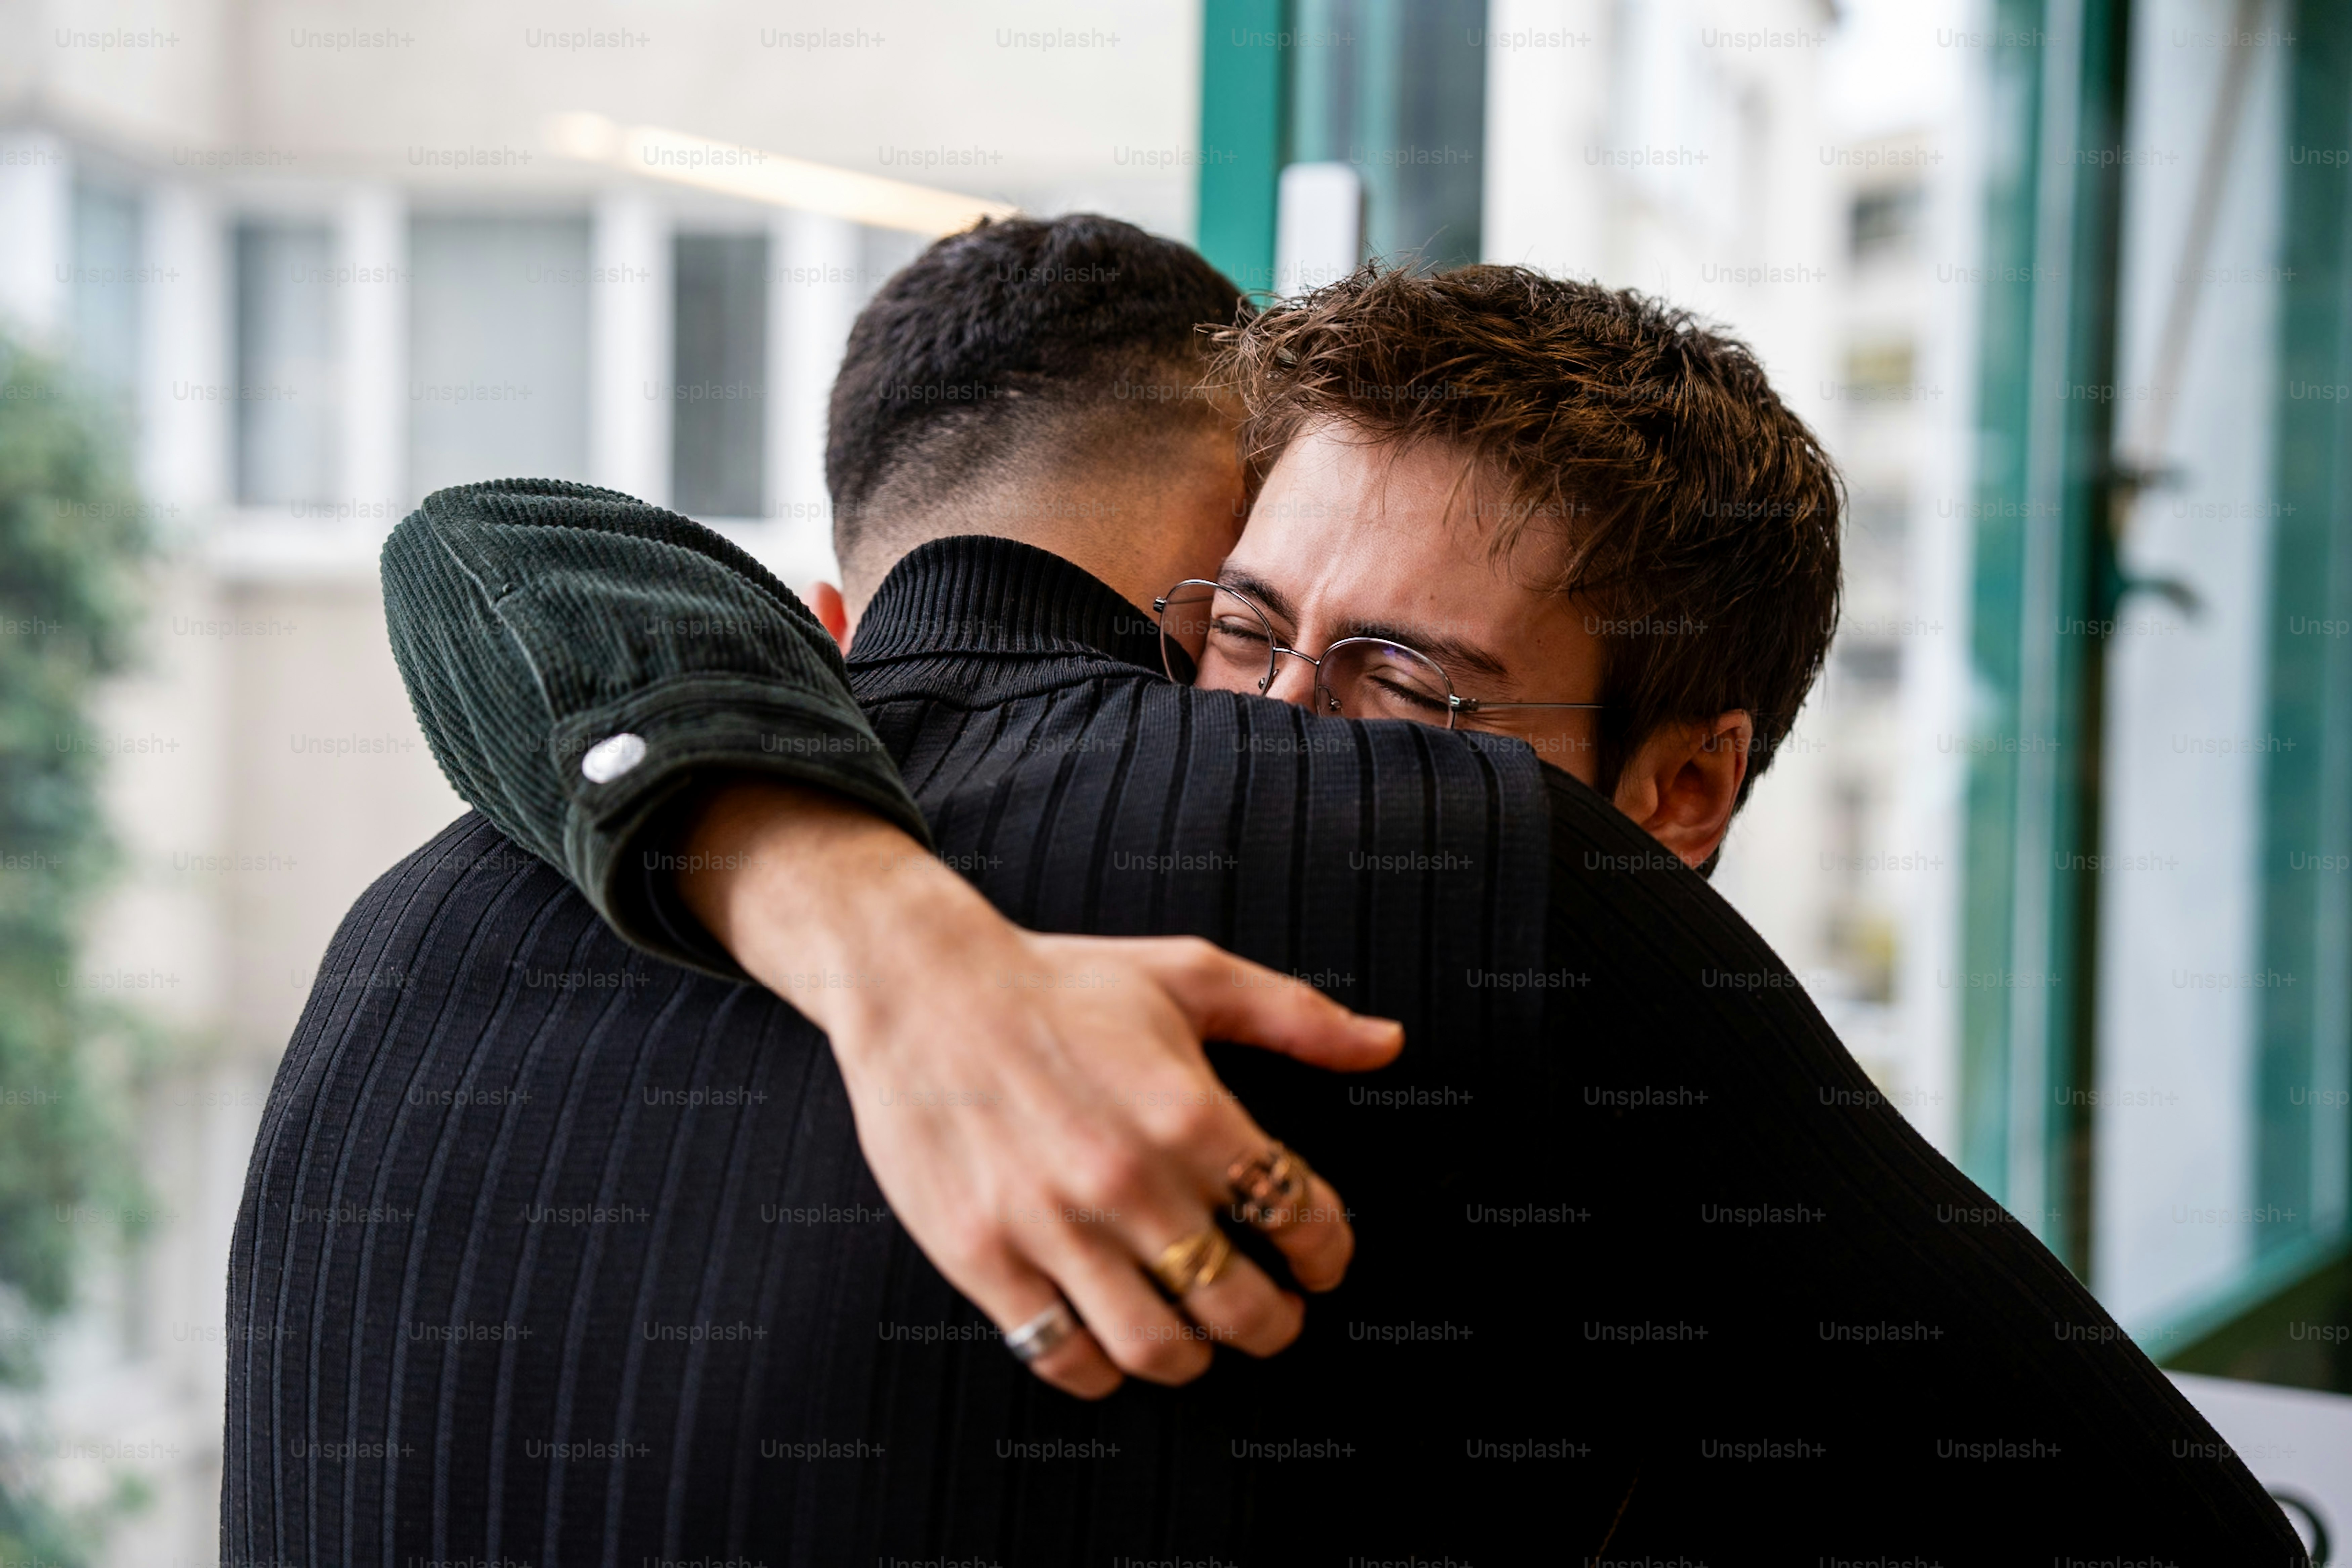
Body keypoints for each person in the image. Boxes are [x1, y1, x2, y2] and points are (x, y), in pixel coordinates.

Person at [226, 216, 2301, 1561]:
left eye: (1398, 676)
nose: (1275, 721)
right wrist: (898, 955)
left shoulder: (407, 926)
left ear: (1680, 785)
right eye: (1234, 623)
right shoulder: (1455, 885)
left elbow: (491, 537)